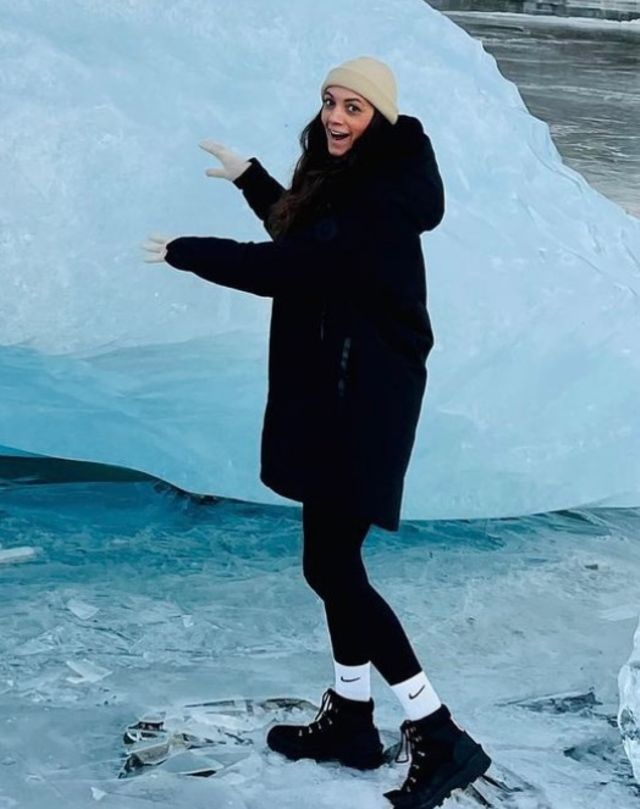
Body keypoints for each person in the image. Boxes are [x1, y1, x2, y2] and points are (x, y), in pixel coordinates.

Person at [141, 57, 491, 809]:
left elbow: (289, 265)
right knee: (327, 563)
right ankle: (353, 719)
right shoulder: (354, 183)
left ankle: (436, 730)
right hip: (341, 385)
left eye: (355, 107)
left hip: (361, 396)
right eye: (330, 102)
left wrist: (186, 251)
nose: (336, 117)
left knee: (335, 568)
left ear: (382, 119)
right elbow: (303, 229)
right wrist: (251, 177)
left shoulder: (378, 198)